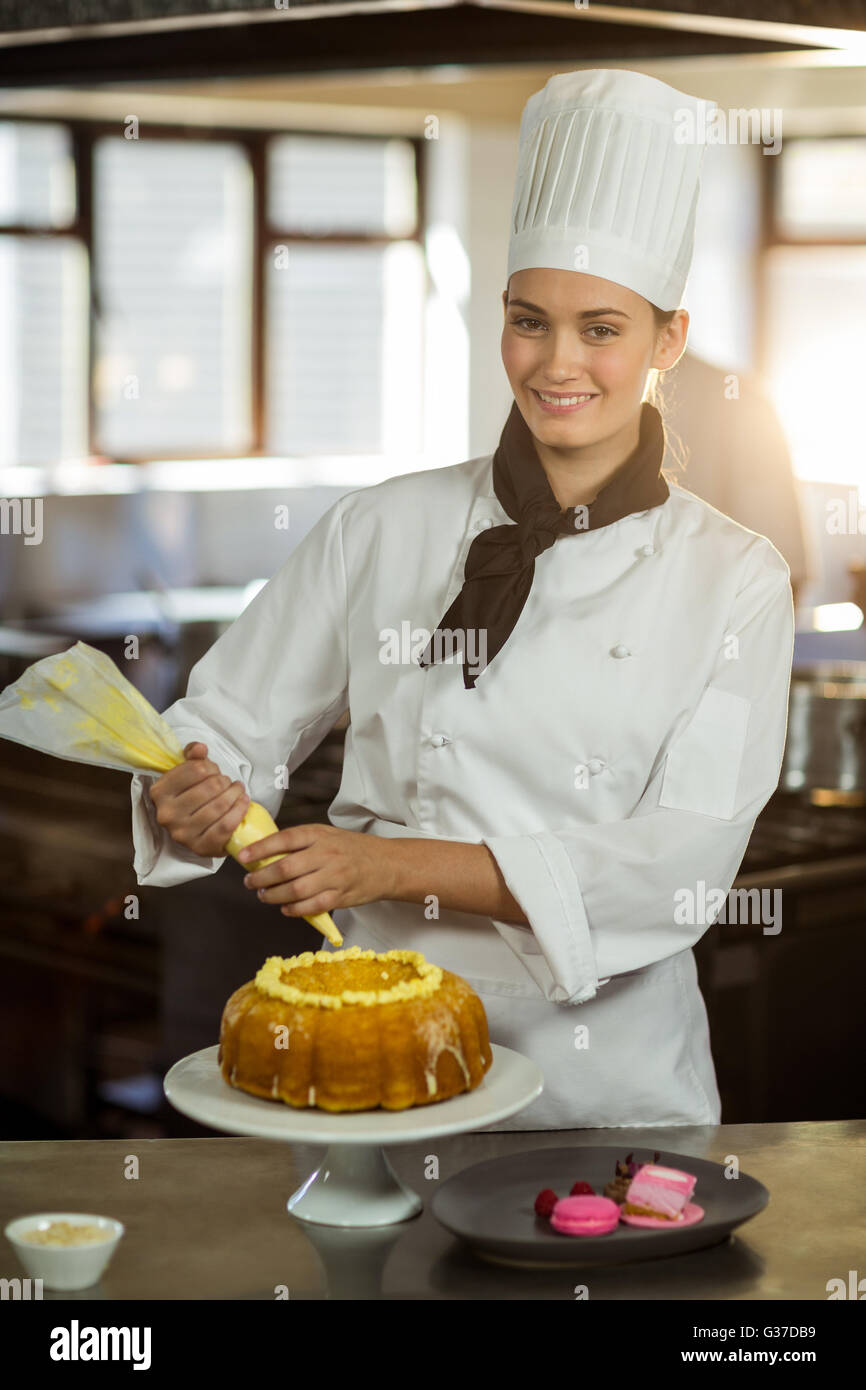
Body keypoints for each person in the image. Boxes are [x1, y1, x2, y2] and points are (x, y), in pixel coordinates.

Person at [132, 69, 795, 1130]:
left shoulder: (734, 578)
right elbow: (225, 726)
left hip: (607, 1088)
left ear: (667, 340)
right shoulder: (382, 526)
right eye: (529, 323)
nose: (556, 363)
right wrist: (193, 793)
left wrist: (388, 860)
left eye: (600, 329)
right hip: (381, 1058)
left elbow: (676, 864)